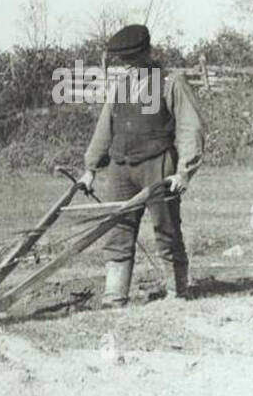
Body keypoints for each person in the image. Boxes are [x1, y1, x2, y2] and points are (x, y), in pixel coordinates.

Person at [77, 24, 204, 305]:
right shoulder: (120, 86)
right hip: (120, 168)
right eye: (126, 60)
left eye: (134, 58)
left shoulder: (172, 82)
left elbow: (189, 128)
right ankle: (115, 296)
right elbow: (105, 128)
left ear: (148, 52)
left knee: (167, 229)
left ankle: (176, 292)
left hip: (158, 165)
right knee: (117, 229)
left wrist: (184, 171)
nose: (130, 65)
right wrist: (90, 169)